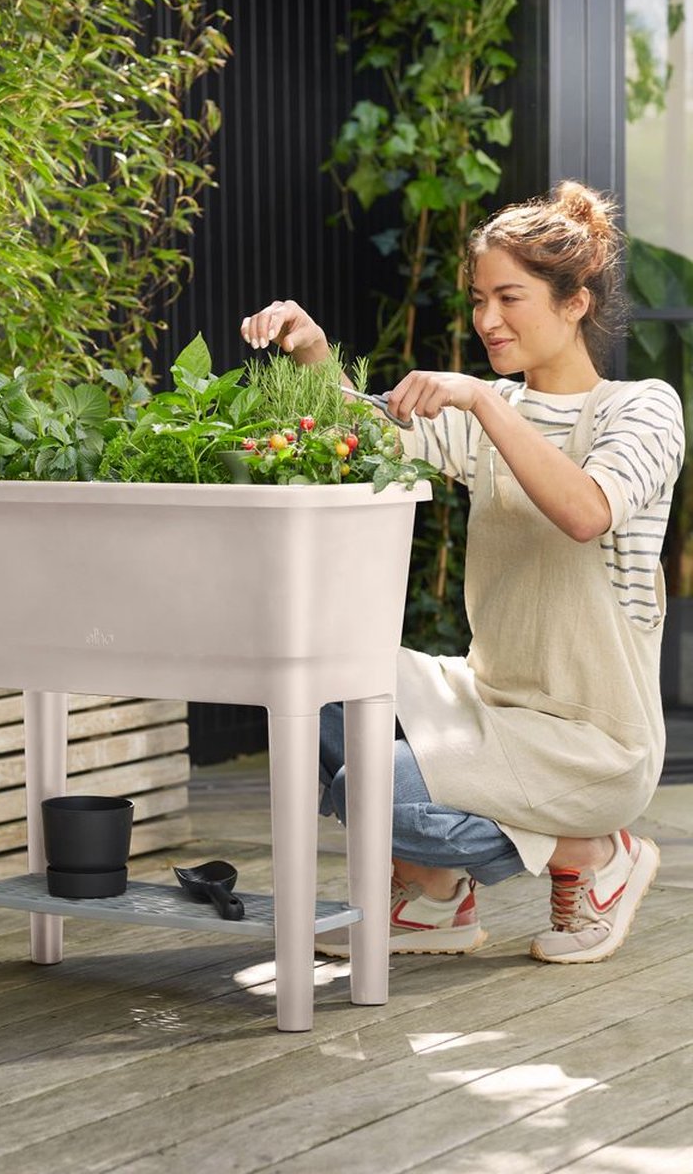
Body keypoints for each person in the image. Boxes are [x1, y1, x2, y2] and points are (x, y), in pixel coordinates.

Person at [240, 181, 685, 964]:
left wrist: (483, 403)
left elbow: (586, 510)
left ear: (575, 301)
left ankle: (592, 854)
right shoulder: (490, 412)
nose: (486, 321)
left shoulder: (640, 408)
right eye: (480, 299)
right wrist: (311, 349)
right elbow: (364, 434)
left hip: (592, 743)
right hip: (488, 699)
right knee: (315, 682)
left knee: (371, 790)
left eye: (509, 298)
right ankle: (439, 897)